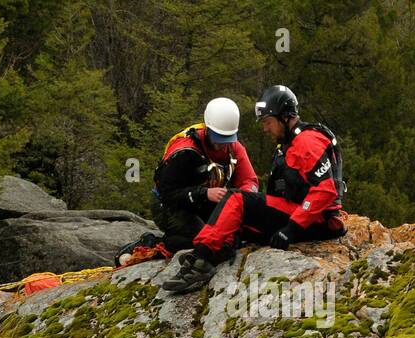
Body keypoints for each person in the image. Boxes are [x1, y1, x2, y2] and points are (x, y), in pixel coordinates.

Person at [163, 85, 346, 293]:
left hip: (313, 220)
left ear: (285, 117)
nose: (265, 129)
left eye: (268, 122)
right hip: (304, 215)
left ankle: (201, 260)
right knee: (230, 221)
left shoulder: (306, 141)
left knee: (236, 200)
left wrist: (291, 229)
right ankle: (202, 251)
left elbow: (324, 190)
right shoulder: (294, 141)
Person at [143, 96, 260, 259]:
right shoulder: (184, 151)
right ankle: (152, 243)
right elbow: (167, 193)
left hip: (203, 202)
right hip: (168, 205)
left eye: (227, 139)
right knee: (205, 242)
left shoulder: (234, 148)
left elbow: (250, 181)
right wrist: (204, 193)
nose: (223, 144)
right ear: (208, 128)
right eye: (219, 138)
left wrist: (242, 198)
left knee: (233, 236)